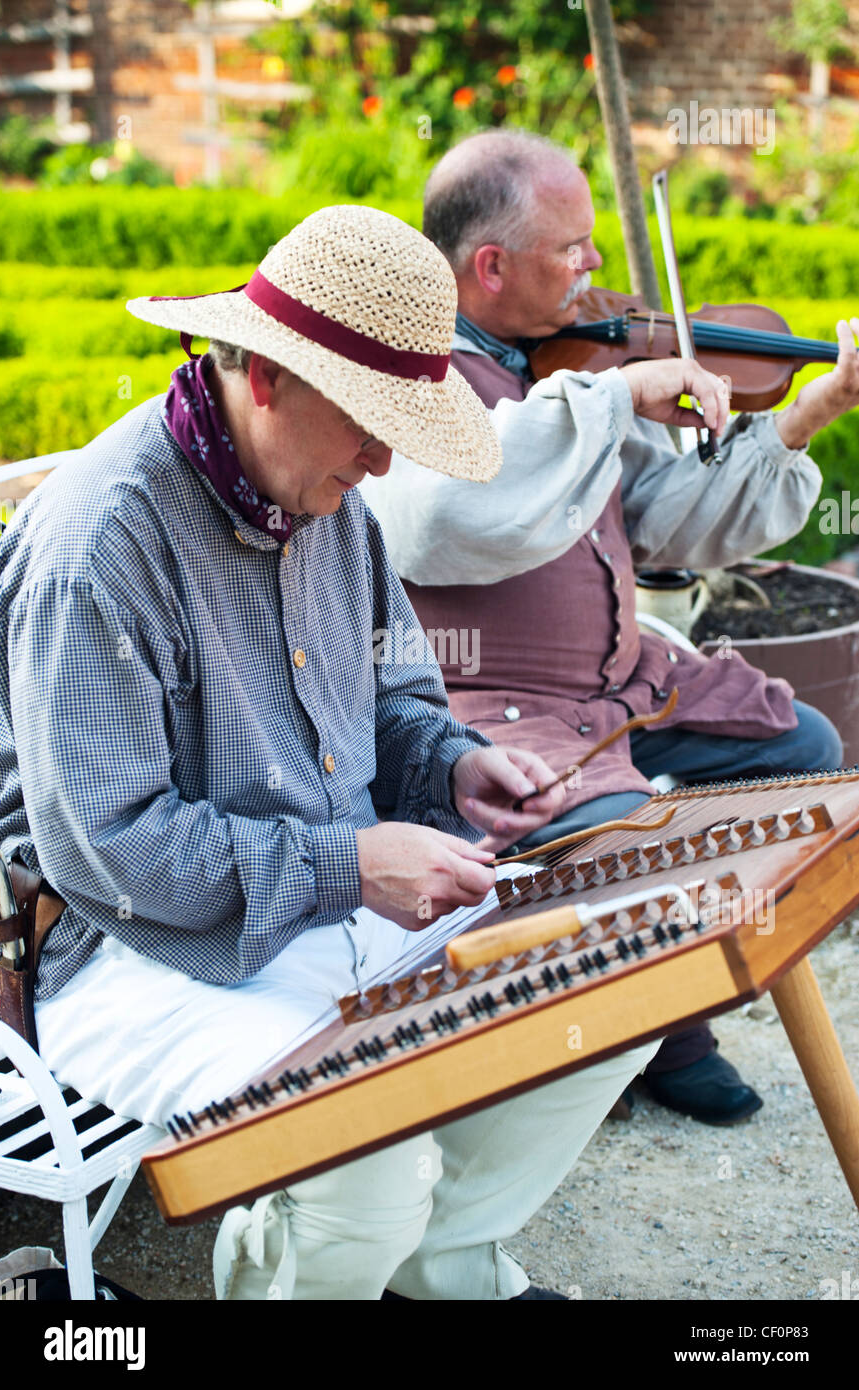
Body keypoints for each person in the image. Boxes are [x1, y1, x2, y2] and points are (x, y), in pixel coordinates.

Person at [0, 204, 675, 1301]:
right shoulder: (96, 544)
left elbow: (397, 705)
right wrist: (353, 867)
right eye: (370, 415)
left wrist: (451, 767)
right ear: (264, 376)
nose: (385, 455)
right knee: (369, 1157)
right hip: (124, 949)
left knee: (611, 995)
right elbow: (114, 855)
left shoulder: (335, 505)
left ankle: (441, 1271)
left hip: (324, 901)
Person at [361, 129, 856, 1126]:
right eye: (571, 248)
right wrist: (613, 392)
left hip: (622, 684)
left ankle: (664, 997)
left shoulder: (566, 368)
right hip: (491, 714)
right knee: (616, 850)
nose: (598, 272)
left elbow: (668, 521)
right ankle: (653, 1033)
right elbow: (458, 511)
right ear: (489, 266)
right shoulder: (412, 378)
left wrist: (810, 410)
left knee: (803, 750)